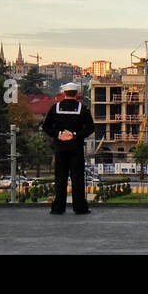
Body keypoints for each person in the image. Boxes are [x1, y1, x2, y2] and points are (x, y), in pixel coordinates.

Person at [41, 81, 95, 214]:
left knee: (60, 177)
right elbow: (90, 128)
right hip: (76, 148)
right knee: (77, 177)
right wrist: (75, 135)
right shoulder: (83, 109)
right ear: (76, 93)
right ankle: (80, 207)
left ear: (64, 93)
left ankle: (58, 207)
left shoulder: (55, 108)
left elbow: (46, 127)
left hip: (60, 147)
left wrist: (59, 134)